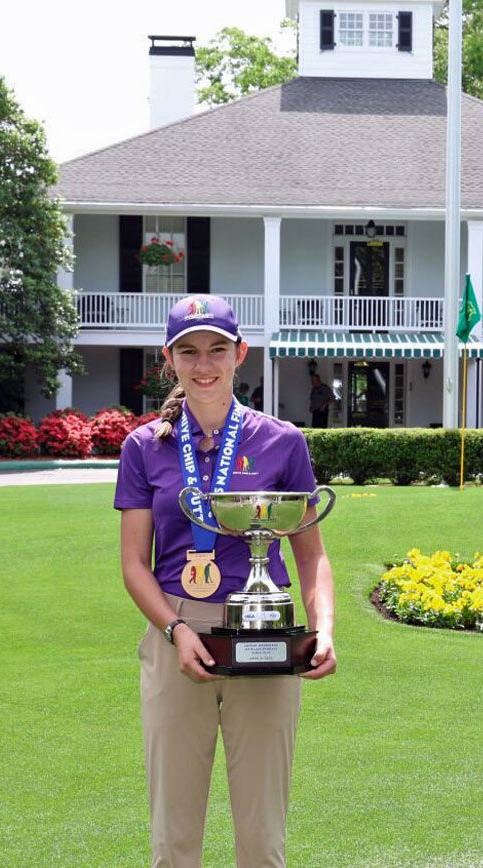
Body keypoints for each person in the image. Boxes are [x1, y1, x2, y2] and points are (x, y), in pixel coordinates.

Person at [114, 294, 336, 868]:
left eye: (217, 349)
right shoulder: (143, 446)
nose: (203, 364)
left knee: (263, 838)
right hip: (177, 633)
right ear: (169, 359)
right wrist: (173, 631)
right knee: (173, 836)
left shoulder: (282, 440)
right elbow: (135, 563)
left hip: (266, 635)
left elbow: (310, 555)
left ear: (241, 354)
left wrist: (325, 628)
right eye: (188, 351)